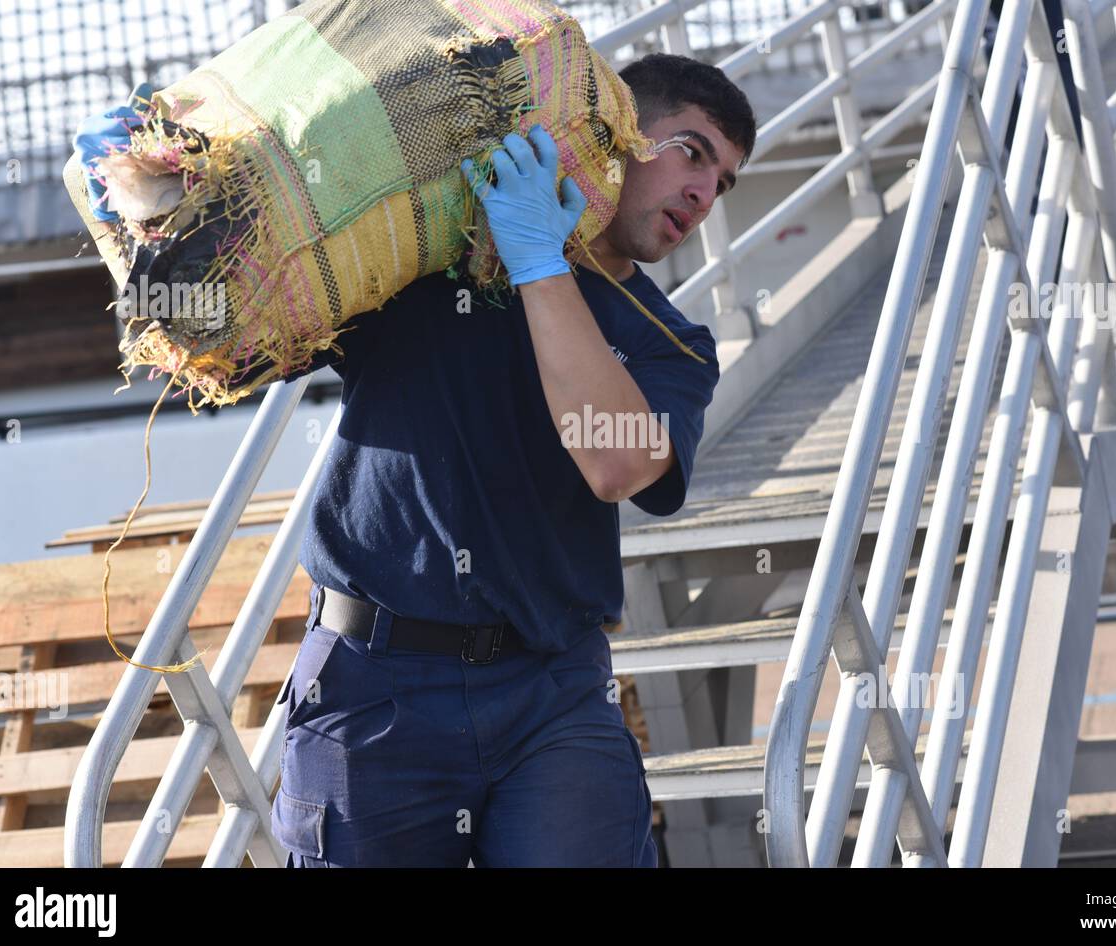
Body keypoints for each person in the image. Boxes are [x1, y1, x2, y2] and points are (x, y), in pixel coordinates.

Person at [75, 51, 756, 866]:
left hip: (554, 694)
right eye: (691, 151)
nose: (704, 193)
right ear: (616, 119)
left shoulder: (672, 341)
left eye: (724, 181)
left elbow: (617, 464)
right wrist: (148, 202)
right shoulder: (430, 254)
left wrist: (542, 262)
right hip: (373, 682)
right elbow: (232, 326)